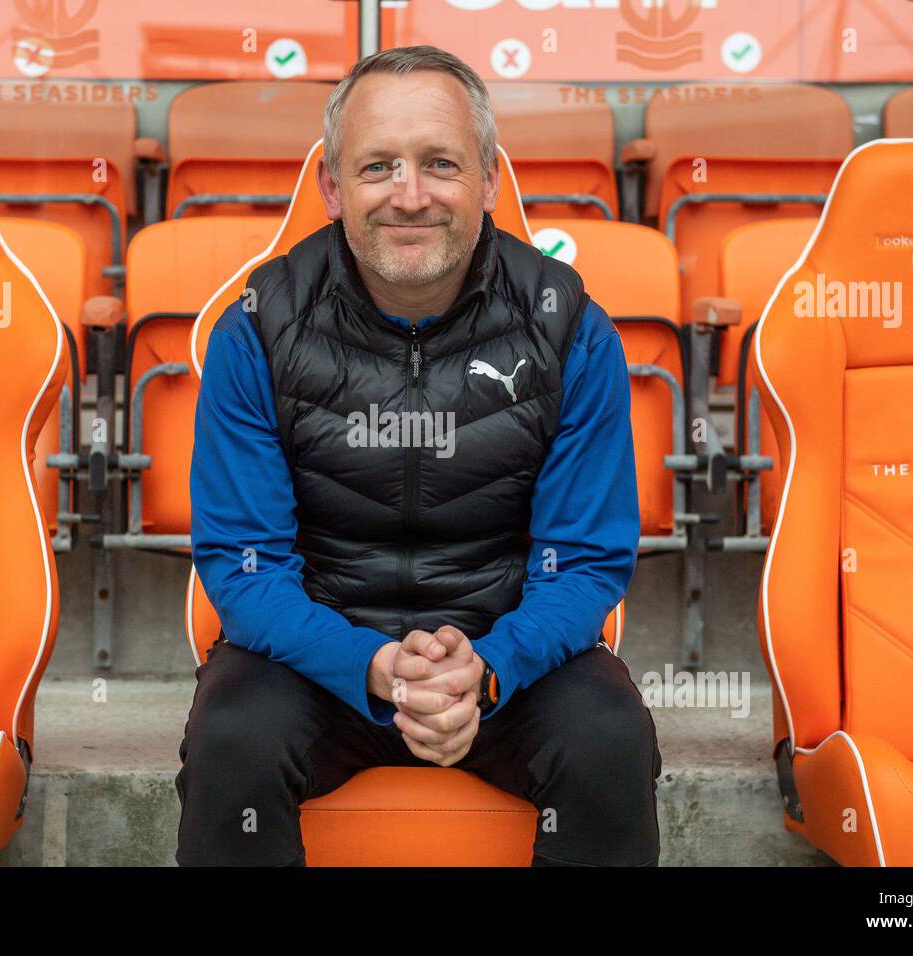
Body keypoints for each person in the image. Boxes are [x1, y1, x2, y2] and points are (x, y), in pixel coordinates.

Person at [175, 45, 660, 866]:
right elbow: (244, 565)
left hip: (506, 658)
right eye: (377, 167)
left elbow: (582, 562)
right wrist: (371, 666)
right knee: (232, 740)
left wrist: (491, 667)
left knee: (610, 739)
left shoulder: (569, 327)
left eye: (440, 163)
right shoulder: (255, 330)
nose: (410, 196)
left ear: (489, 180)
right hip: (316, 660)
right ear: (332, 187)